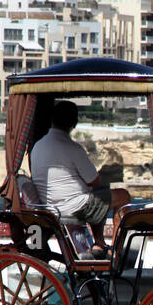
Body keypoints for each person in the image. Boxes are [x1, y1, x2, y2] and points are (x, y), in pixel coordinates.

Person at [30, 100, 131, 257]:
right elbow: (94, 181)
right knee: (122, 196)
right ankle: (115, 249)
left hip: (49, 206)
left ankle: (99, 243)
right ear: (74, 123)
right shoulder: (72, 148)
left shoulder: (38, 146)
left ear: (52, 120)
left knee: (99, 197)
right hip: (72, 206)